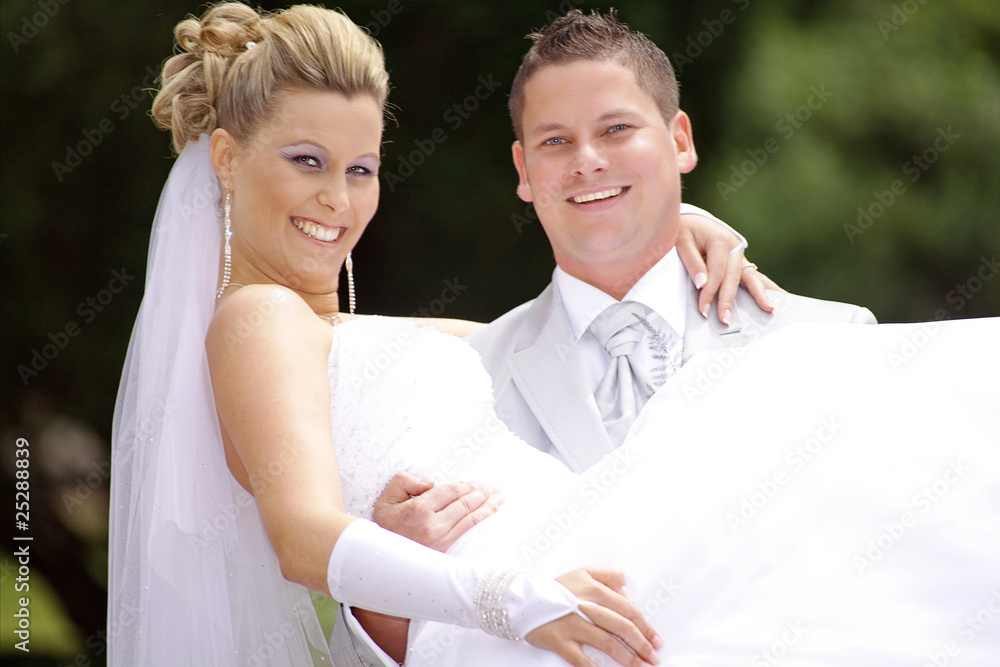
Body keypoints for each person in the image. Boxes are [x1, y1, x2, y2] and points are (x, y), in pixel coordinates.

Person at [107, 4, 773, 666]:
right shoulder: (257, 319)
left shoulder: (351, 336)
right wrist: (519, 602)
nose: (338, 200)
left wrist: (670, 218)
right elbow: (304, 538)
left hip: (588, 596)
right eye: (307, 161)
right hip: (529, 620)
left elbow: (557, 326)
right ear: (226, 159)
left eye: (360, 169)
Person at [335, 9, 880, 664]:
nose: (587, 161)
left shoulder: (834, 342)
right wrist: (383, 587)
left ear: (679, 138)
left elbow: (894, 591)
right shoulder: (458, 383)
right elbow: (383, 649)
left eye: (616, 129)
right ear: (524, 169)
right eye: (555, 141)